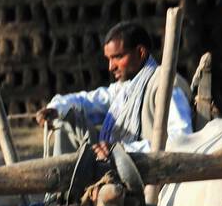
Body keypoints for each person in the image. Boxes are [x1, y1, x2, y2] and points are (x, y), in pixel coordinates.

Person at [35, 21, 193, 158]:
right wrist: (56, 108)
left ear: (140, 52)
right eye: (109, 59)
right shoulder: (126, 87)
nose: (111, 67)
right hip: (117, 157)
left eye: (117, 57)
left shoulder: (166, 86)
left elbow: (182, 138)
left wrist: (124, 150)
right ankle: (62, 191)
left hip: (143, 169)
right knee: (67, 120)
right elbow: (88, 101)